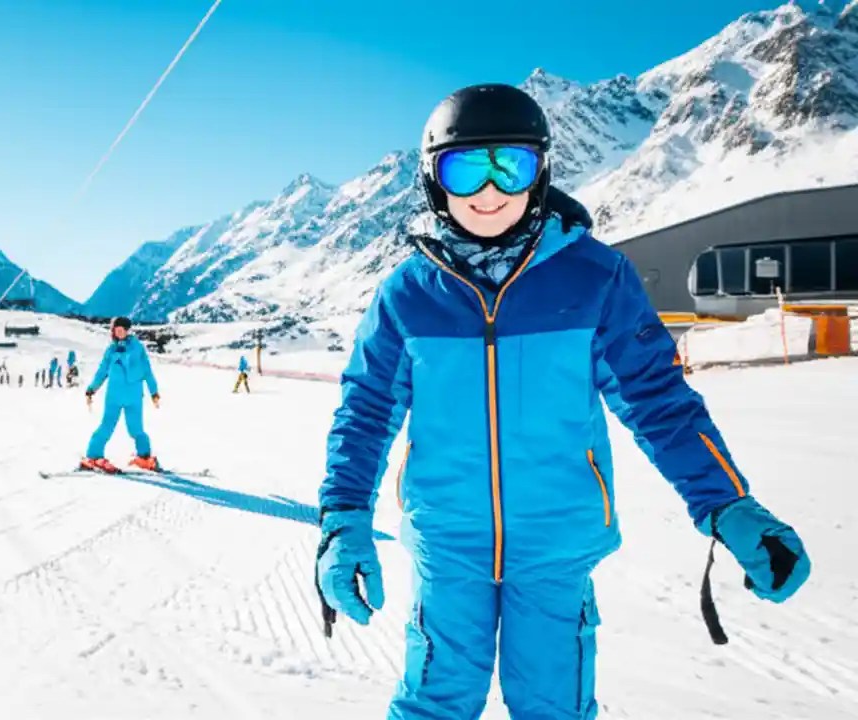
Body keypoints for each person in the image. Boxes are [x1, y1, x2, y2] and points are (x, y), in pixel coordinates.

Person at [314, 84, 811, 720]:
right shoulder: (408, 294)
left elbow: (659, 402)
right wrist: (343, 518)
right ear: (433, 182)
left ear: (541, 172)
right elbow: (365, 413)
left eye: (510, 166)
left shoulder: (594, 278)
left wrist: (728, 504)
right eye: (466, 169)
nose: (490, 192)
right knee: (434, 703)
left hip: (555, 544)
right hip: (448, 542)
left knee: (555, 706)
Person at [82, 316, 161, 472]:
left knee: (136, 429)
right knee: (106, 426)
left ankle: (144, 456)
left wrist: (154, 391)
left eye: (121, 330)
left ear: (126, 330)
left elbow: (147, 370)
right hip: (114, 397)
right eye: (115, 330)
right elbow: (102, 371)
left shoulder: (137, 348)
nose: (118, 333)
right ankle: (93, 455)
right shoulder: (111, 350)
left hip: (134, 397)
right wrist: (92, 388)